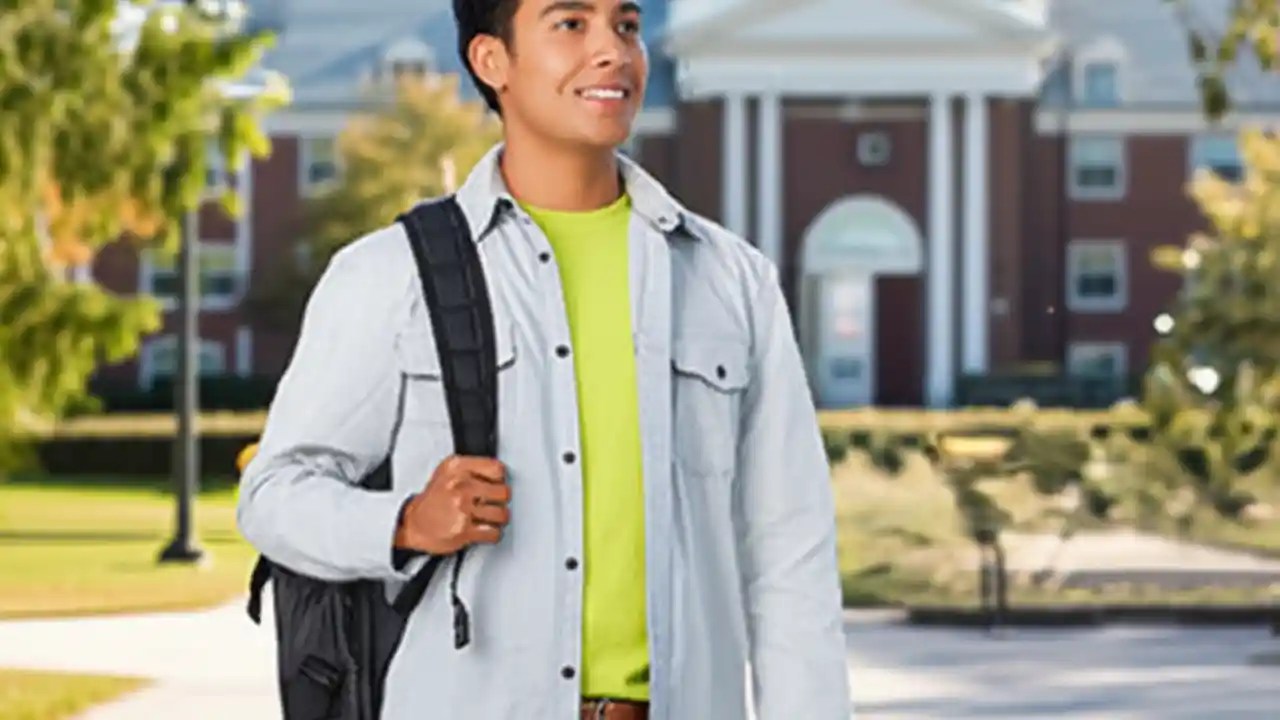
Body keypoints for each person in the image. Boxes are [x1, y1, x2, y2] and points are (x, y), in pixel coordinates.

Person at [235, 0, 853, 718]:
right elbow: (273, 495)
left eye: (625, 25)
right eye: (570, 24)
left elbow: (791, 561)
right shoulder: (389, 274)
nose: (614, 51)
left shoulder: (730, 280)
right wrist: (403, 523)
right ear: (491, 61)